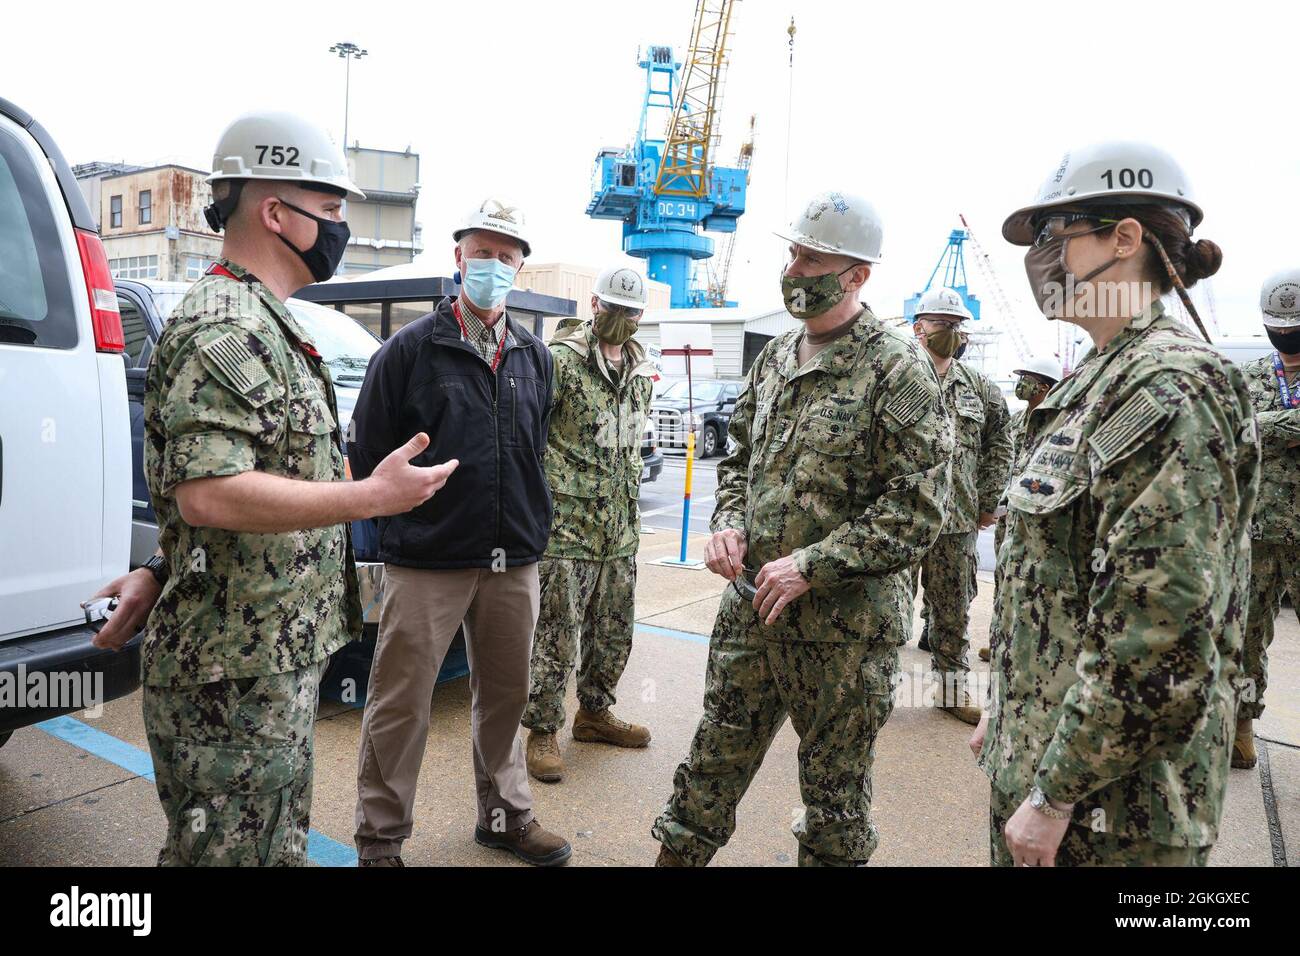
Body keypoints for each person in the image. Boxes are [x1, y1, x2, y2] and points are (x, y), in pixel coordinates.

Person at [88, 111, 456, 866]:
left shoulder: (269, 321)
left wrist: (159, 571)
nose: (339, 229)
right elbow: (212, 494)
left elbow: (224, 497)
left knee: (266, 850)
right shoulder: (226, 324)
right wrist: (371, 498)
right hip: (233, 677)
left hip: (265, 663)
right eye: (329, 212)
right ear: (275, 212)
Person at [972, 141, 1258, 867]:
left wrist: (1056, 793)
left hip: (1113, 814)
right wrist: (1009, 716)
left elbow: (1157, 636)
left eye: (1053, 239)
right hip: (1053, 766)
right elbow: (1059, 587)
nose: (1041, 261)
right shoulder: (1097, 379)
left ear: (1125, 239)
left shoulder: (1169, 388)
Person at [651, 191, 953, 866]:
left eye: (812, 258)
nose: (793, 270)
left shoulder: (897, 370)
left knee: (834, 804)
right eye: (793, 253)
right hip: (751, 614)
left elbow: (917, 512)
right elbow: (739, 463)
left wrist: (812, 565)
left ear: (856, 276)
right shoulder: (777, 358)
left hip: (841, 635)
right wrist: (727, 525)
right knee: (707, 773)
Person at [347, 198, 571, 867]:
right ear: (458, 258)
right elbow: (367, 458)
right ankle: (380, 842)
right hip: (427, 560)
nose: (494, 267)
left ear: (521, 266)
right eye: (483, 252)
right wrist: (394, 529)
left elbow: (536, 448)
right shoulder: (408, 352)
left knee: (505, 698)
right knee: (400, 703)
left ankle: (504, 818)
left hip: (514, 560)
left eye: (507, 257)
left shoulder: (535, 356)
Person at [522, 266, 659, 782]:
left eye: (630, 312)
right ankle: (542, 729)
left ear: (641, 315)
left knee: (614, 630)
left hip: (620, 527)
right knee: (557, 633)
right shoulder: (559, 360)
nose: (619, 318)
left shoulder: (642, 367)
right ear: (594, 304)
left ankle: (595, 714)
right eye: (611, 308)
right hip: (569, 526)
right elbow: (528, 436)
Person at [908, 287, 1012, 722]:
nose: (950, 332)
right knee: (883, 612)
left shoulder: (981, 389)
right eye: (941, 325)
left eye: (956, 326)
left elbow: (1000, 443)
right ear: (919, 329)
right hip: (897, 519)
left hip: (955, 522)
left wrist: (988, 501)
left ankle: (950, 691)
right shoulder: (896, 375)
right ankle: (868, 693)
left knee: (953, 613)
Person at [1235, 267, 1300, 768]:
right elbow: (1229, 435)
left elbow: (1245, 430)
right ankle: (1240, 727)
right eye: (1277, 326)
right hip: (1257, 529)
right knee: (1245, 635)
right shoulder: (1250, 376)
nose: (1285, 334)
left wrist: (1256, 426)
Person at [979, 355, 1062, 663]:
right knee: (1003, 578)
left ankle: (1024, 645)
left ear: (1042, 386)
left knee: (1032, 584)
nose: (1020, 384)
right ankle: (999, 640)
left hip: (1037, 516)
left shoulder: (1059, 423)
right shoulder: (1015, 421)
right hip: (1007, 514)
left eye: (1025, 377)